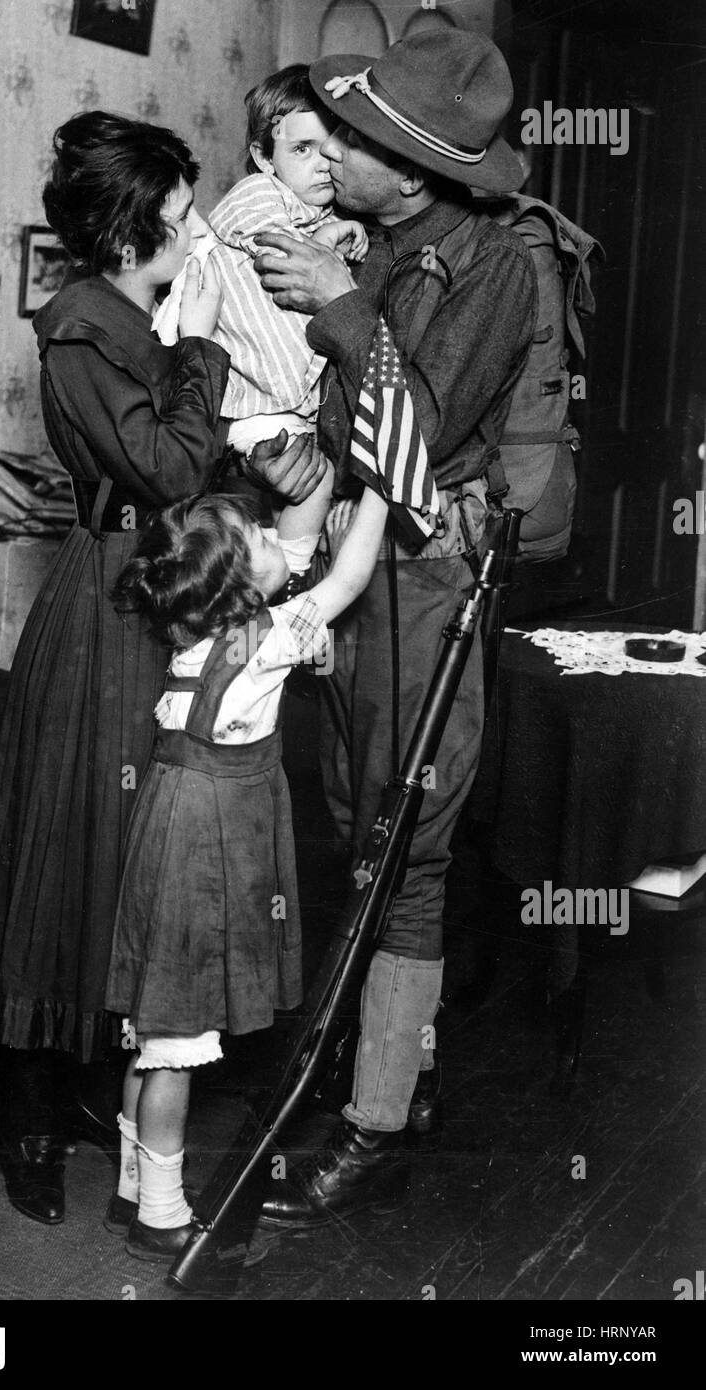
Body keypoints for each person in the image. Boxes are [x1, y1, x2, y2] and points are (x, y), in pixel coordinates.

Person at [0, 110, 326, 1226]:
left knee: (129, 858)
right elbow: (167, 463)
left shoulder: (131, 311)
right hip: (110, 608)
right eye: (177, 218)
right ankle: (22, 1112)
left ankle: (81, 1085)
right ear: (130, 235)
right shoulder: (80, 324)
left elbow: (195, 446)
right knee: (68, 853)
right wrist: (209, 345)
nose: (193, 232)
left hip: (161, 596)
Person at [249, 29, 539, 1222]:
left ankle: (372, 1123)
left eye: (349, 140)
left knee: (406, 849)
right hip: (354, 581)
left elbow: (414, 448)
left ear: (411, 170)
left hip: (425, 580)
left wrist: (338, 306)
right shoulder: (381, 240)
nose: (331, 155)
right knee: (347, 822)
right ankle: (374, 1072)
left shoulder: (495, 269)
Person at [103, 480, 388, 1259]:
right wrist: (380, 497)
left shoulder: (203, 631)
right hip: (207, 843)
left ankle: (131, 1186)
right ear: (239, 584)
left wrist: (317, 487)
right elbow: (347, 578)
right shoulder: (261, 639)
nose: (274, 536)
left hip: (167, 825)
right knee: (178, 1039)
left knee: (155, 1028)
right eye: (259, 536)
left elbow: (290, 553)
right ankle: (160, 1209)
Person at [153, 65, 368, 467]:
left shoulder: (326, 212)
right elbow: (287, 257)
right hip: (245, 397)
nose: (322, 163)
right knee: (309, 482)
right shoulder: (258, 193)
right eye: (302, 149)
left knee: (312, 479)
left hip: (289, 395)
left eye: (331, 145)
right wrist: (325, 243)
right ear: (263, 157)